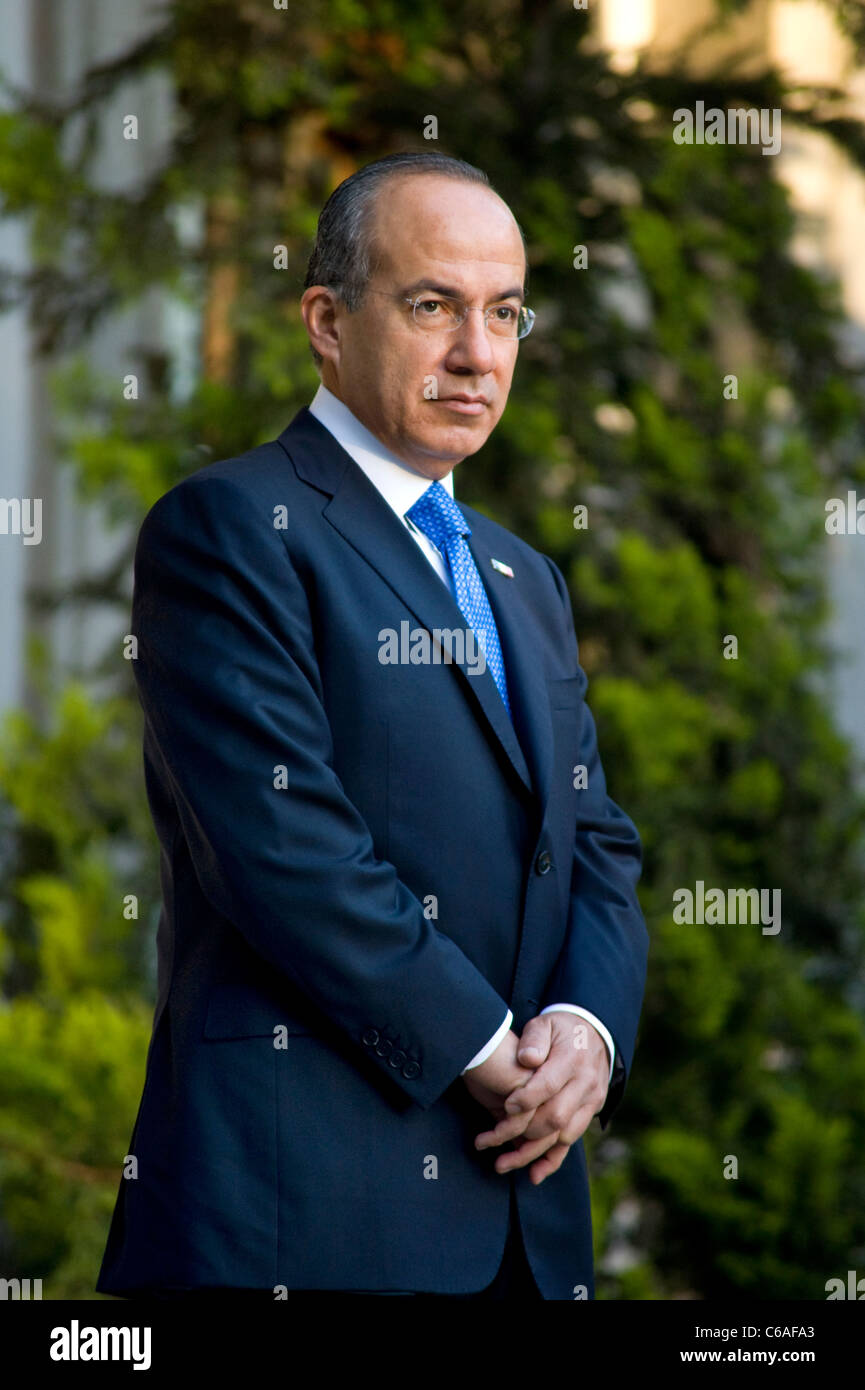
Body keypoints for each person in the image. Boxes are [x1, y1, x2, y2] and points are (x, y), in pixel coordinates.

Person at [96, 151, 649, 1301]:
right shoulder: (232, 529)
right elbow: (289, 852)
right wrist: (492, 1053)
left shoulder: (521, 577)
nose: (477, 353)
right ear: (327, 321)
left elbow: (594, 839)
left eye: (503, 312)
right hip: (307, 1216)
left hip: (524, 1225)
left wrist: (588, 1032)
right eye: (432, 305)